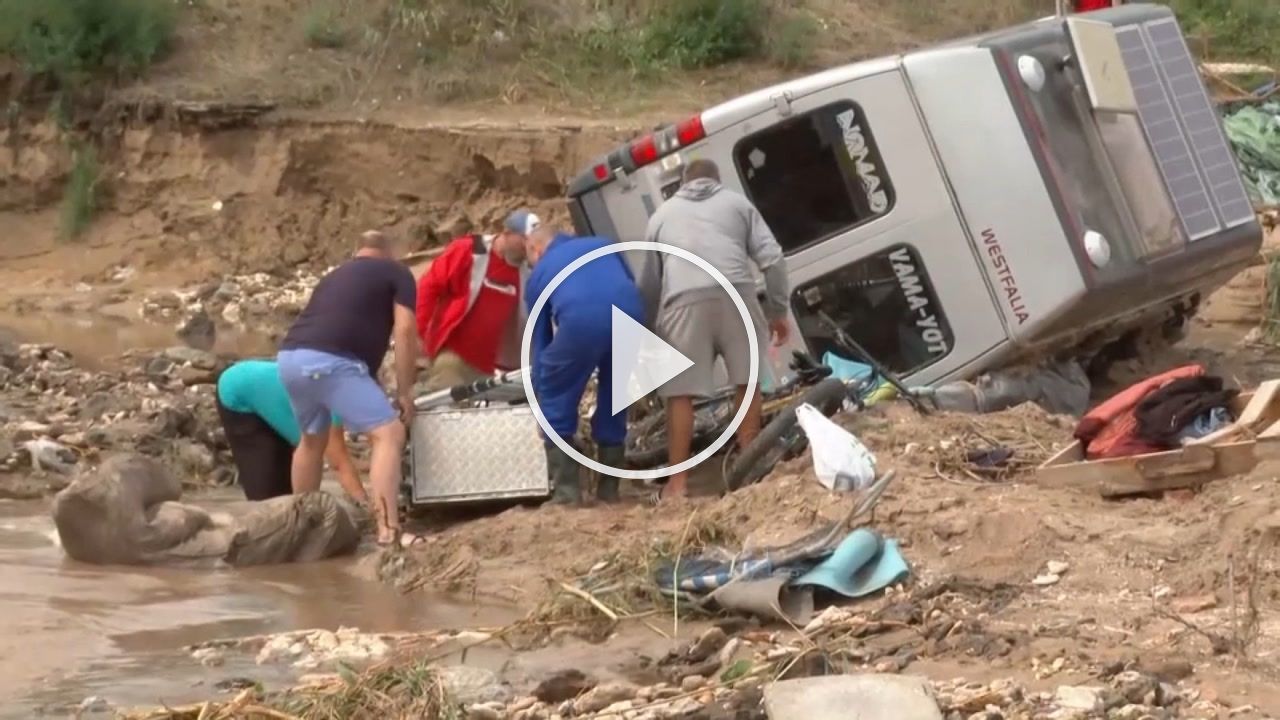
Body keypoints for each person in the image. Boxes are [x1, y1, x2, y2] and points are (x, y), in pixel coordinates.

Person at [639, 158, 790, 501]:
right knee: (746, 381)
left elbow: (649, 283)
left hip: (684, 299)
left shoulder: (661, 215)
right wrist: (778, 311)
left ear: (682, 183)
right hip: (737, 291)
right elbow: (773, 260)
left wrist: (647, 331)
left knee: (680, 393)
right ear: (717, 181)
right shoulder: (738, 204)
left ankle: (677, 486)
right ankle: (748, 466)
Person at [277, 229, 419, 545]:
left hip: (290, 358)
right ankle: (389, 531)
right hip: (332, 363)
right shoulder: (397, 272)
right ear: (389, 252)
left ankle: (302, 532)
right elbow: (405, 330)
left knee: (312, 441)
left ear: (358, 251)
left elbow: (340, 325)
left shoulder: (334, 276)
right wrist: (404, 391)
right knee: (389, 433)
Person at [524, 225, 644, 505]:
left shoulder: (539, 273)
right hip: (631, 316)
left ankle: (567, 494)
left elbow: (539, 340)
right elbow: (627, 283)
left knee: (556, 398)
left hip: (582, 321)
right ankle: (609, 490)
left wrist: (542, 389)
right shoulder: (604, 244)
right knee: (615, 396)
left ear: (536, 250)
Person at [416, 210, 538, 392]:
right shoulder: (469, 251)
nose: (530, 246)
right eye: (525, 240)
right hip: (454, 356)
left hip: (488, 366)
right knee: (442, 400)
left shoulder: (528, 274)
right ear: (507, 233)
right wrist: (418, 336)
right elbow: (428, 288)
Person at [216, 359, 366, 503]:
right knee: (270, 500)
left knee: (288, 490)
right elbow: (339, 464)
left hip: (266, 388)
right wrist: (365, 506)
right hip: (238, 392)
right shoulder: (332, 404)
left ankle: (301, 511)